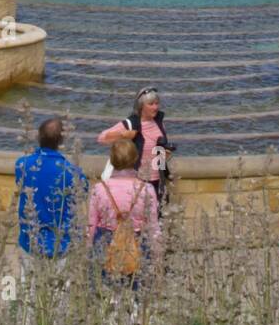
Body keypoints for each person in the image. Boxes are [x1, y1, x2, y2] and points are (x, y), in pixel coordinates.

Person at [14, 117, 88, 292]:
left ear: (38, 137)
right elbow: (81, 194)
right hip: (61, 243)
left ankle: (23, 319)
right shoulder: (72, 172)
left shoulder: (22, 165)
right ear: (61, 141)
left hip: (29, 240)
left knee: (28, 291)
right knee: (59, 295)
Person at [88, 139, 161, 292]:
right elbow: (153, 226)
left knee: (103, 297)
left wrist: (88, 250)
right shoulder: (146, 189)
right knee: (138, 297)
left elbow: (91, 225)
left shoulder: (99, 189)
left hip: (104, 241)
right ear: (135, 159)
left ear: (112, 161)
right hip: (138, 242)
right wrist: (157, 255)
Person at [97, 87, 175, 211]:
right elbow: (101, 138)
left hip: (158, 180)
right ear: (141, 106)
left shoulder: (159, 122)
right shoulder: (130, 123)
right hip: (138, 181)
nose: (155, 107)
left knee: (158, 219)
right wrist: (123, 135)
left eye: (157, 103)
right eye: (151, 104)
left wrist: (165, 153)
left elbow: (157, 148)